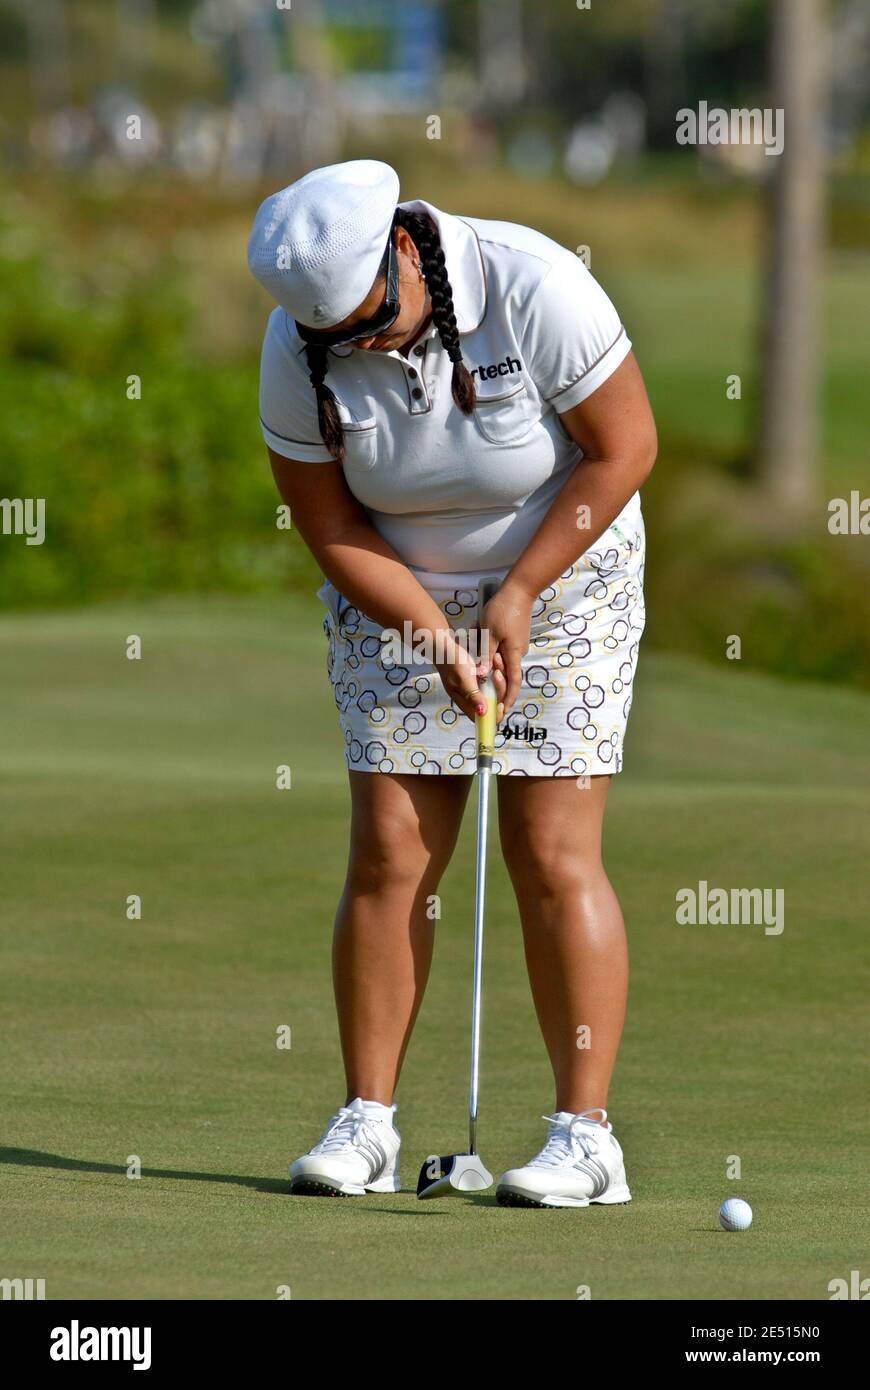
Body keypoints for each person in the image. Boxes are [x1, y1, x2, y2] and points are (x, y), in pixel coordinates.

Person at [248, 159, 656, 1207]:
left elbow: (624, 448)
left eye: (373, 322)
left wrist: (518, 592)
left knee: (549, 848)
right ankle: (368, 1124)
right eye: (342, 340)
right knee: (390, 849)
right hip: (396, 594)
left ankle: (586, 1138)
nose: (364, 348)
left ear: (400, 247)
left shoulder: (532, 284)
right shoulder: (302, 343)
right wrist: (434, 634)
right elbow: (331, 521)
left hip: (565, 576)